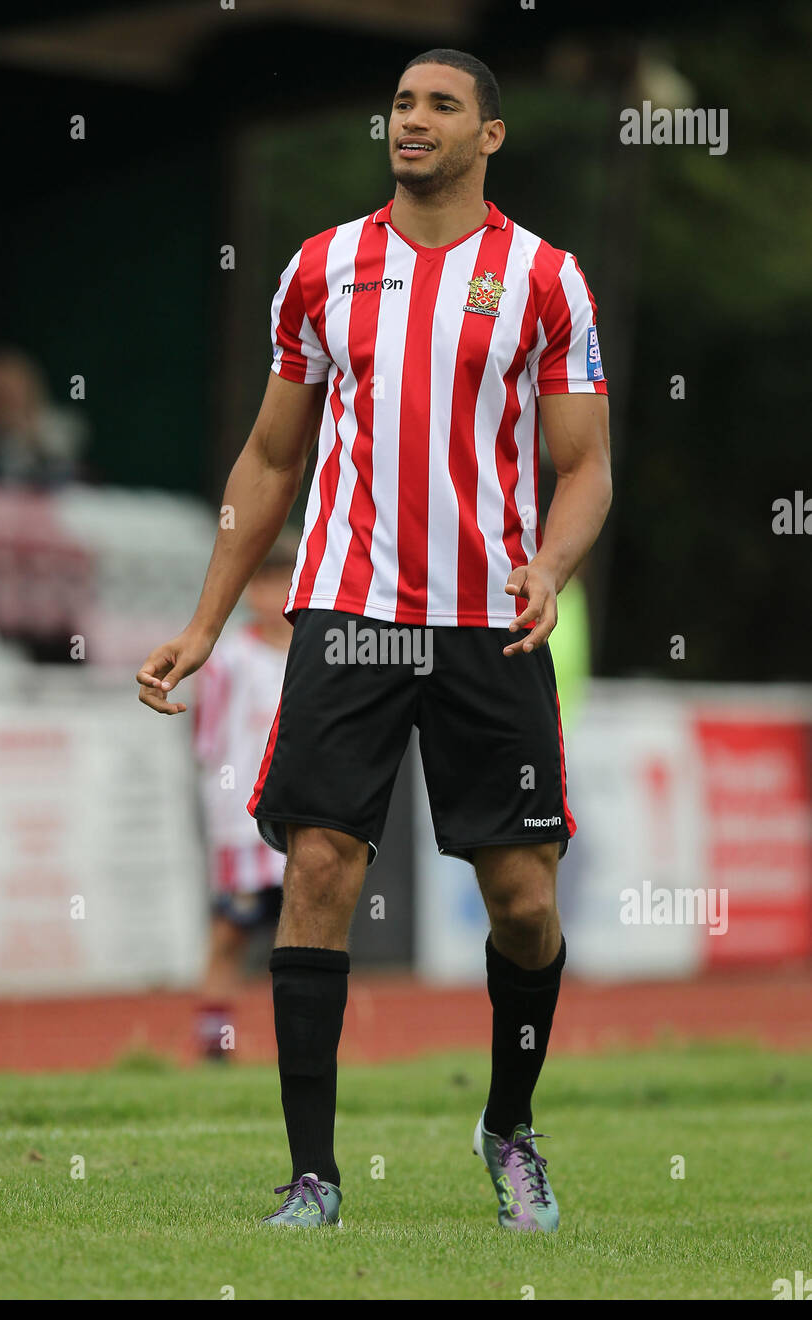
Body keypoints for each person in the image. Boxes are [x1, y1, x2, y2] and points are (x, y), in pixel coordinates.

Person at [137, 48, 612, 1233]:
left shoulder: (545, 280)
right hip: (346, 613)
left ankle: (507, 1126)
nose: (412, 119)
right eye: (401, 102)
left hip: (484, 624)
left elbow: (585, 466)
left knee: (520, 899)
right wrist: (205, 620)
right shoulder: (320, 269)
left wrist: (546, 568)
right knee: (317, 868)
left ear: (487, 136)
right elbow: (268, 457)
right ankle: (312, 1178)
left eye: (440, 105)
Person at [192, 535, 298, 1060]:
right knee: (233, 931)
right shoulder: (228, 659)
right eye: (266, 581)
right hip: (241, 823)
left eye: (287, 580)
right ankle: (215, 1043)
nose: (277, 594)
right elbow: (207, 742)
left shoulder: (319, 656)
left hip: (303, 820)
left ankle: (302, 1044)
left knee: (305, 938)